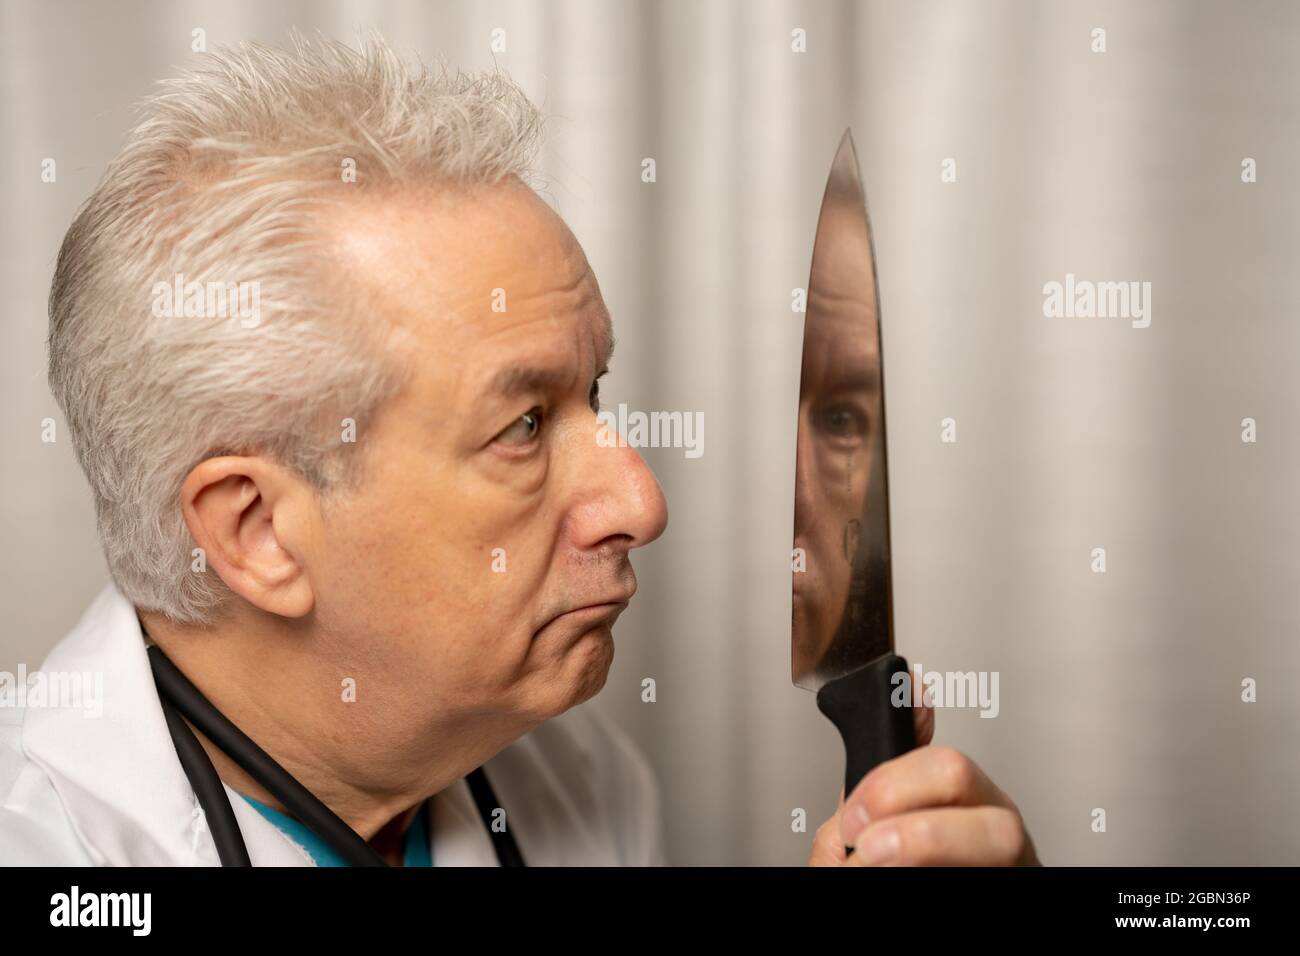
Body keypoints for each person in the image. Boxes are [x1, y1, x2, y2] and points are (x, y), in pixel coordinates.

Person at [0, 34, 1036, 867]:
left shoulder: (576, 774)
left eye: (593, 392)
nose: (641, 497)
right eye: (525, 426)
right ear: (257, 529)